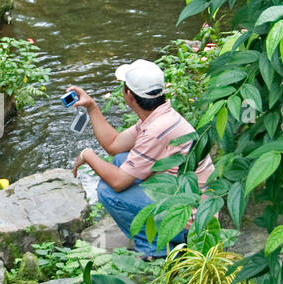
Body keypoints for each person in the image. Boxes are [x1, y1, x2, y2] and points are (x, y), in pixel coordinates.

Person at [69, 58, 214, 260]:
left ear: (129, 95)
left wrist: (87, 154)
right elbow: (114, 144)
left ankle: (156, 249)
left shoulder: (157, 130)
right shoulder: (160, 117)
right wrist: (92, 107)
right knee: (121, 159)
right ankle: (156, 235)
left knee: (107, 191)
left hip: (192, 225)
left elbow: (118, 183)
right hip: (189, 202)